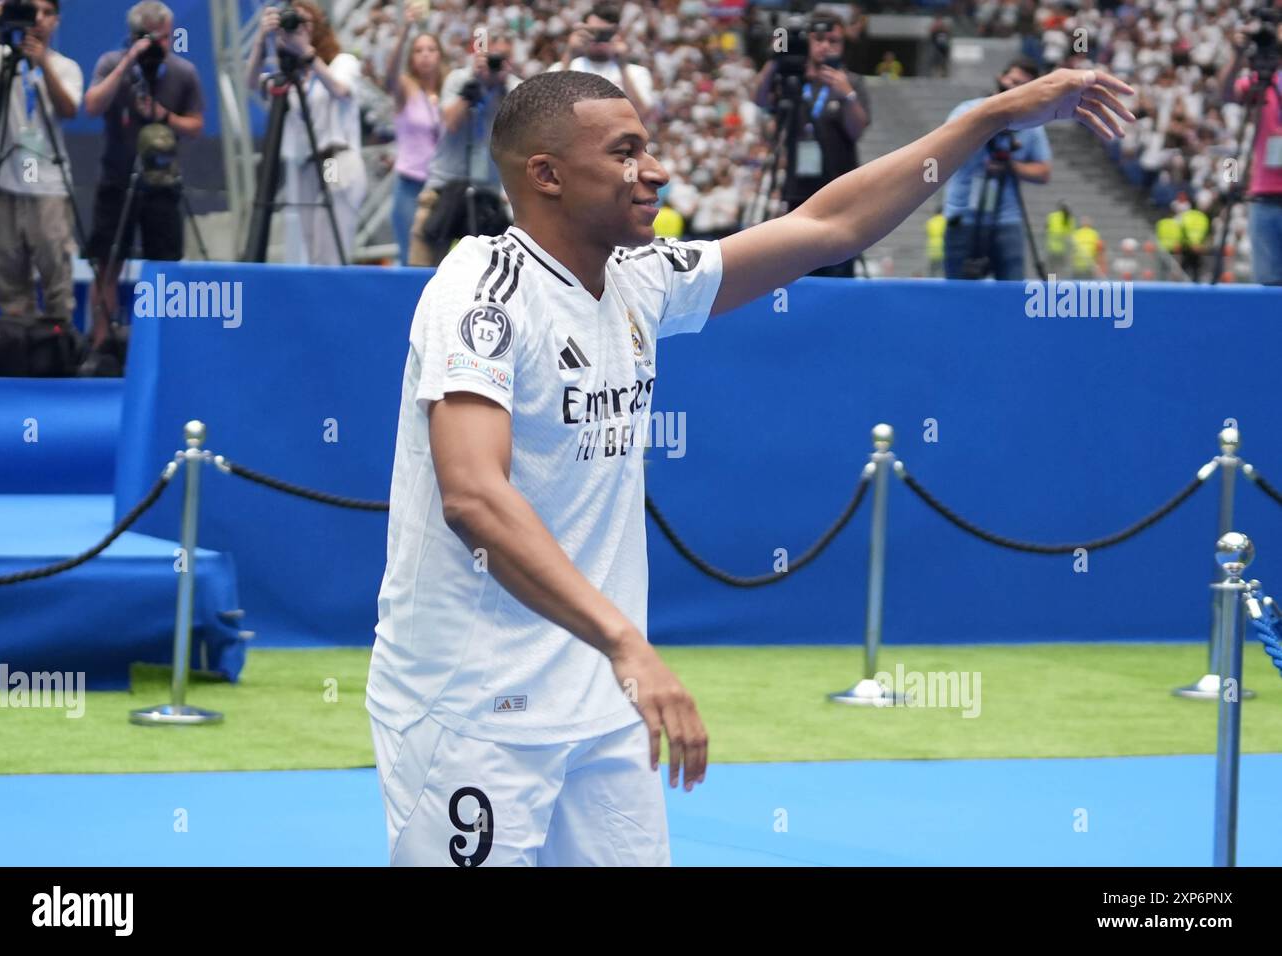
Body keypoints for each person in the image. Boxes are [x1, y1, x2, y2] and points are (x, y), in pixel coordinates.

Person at [367, 66, 1133, 866]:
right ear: (547, 175)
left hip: (599, 701)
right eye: (626, 152)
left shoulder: (641, 278)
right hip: (471, 708)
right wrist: (628, 643)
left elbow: (831, 225)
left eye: (650, 147)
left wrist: (990, 116)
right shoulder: (480, 291)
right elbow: (474, 498)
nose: (655, 169)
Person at [83, 0, 203, 349]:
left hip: (162, 183)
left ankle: (161, 346)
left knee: (164, 268)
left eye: (165, 39)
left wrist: (163, 115)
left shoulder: (184, 73)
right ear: (133, 36)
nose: (158, 46)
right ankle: (100, 345)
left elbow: (196, 125)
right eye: (150, 39)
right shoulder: (111, 63)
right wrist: (127, 63)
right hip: (117, 179)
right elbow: (91, 105)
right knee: (106, 264)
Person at [0, 0, 82, 322]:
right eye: (32, 11)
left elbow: (68, 109)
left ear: (57, 21)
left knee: (56, 269)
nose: (38, 19)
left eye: (47, 13)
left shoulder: (65, 67)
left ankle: (58, 342)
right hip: (6, 184)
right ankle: (18, 340)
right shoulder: (2, 59)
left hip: (48, 186)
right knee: (6, 273)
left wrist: (42, 65)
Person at [753, 10, 872, 277]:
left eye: (833, 40)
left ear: (843, 45)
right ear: (808, 41)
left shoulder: (851, 82)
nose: (825, 46)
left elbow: (856, 132)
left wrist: (848, 96)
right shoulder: (793, 79)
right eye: (818, 39)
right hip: (797, 192)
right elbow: (760, 99)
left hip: (840, 192)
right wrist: (776, 59)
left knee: (839, 269)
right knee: (798, 269)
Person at [247, 1, 364, 266]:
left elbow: (341, 90)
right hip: (305, 166)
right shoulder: (291, 75)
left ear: (317, 27)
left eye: (303, 23)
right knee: (312, 252)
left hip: (335, 160)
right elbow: (252, 83)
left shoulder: (341, 63)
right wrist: (260, 39)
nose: (296, 29)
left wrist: (306, 52)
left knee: (331, 249)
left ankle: (335, 304)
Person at [406, 35, 518, 267]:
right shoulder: (459, 79)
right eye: (492, 57)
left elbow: (522, 130)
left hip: (488, 195)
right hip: (443, 188)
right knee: (421, 268)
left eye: (502, 58)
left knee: (489, 273)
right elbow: (450, 123)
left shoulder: (514, 89)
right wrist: (473, 86)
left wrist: (502, 85)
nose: (496, 63)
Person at [942, 58, 1052, 280]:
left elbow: (1043, 172)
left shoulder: (1031, 123)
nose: (1014, 88)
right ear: (1001, 78)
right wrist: (988, 125)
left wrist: (1012, 166)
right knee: (957, 294)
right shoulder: (968, 110)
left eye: (1023, 85)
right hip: (962, 216)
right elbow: (944, 147)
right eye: (1012, 80)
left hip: (1006, 219)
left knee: (1011, 291)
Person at [1218, 15, 1282, 285]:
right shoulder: (1262, 80)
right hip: (1264, 198)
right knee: (1267, 284)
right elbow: (1226, 93)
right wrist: (1237, 55)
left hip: (1265, 200)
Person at [384, 1, 443, 267]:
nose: (425, 55)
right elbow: (390, 75)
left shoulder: (450, 89)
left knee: (440, 258)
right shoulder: (406, 89)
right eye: (418, 50)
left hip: (441, 186)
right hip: (410, 184)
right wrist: (405, 30)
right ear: (411, 57)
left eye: (431, 49)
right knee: (410, 257)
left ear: (440, 55)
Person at [549, 3, 656, 123]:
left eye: (606, 33)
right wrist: (569, 53)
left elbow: (642, 115)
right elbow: (549, 110)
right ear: (582, 32)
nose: (599, 39)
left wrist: (622, 66)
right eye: (593, 32)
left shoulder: (636, 73)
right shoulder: (562, 68)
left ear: (617, 34)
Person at [1044, 201, 1074, 276]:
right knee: (1061, 268)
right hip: (1062, 249)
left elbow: (1046, 229)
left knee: (1052, 269)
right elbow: (1070, 234)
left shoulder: (1051, 216)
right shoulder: (1069, 218)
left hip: (1051, 247)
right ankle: (1060, 284)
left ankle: (1052, 285)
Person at [925, 205, 946, 277]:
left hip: (932, 245)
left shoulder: (930, 221)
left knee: (932, 269)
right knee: (942, 269)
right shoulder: (944, 221)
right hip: (942, 245)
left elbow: (927, 232)